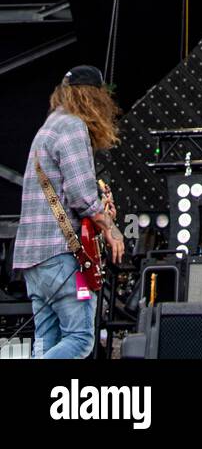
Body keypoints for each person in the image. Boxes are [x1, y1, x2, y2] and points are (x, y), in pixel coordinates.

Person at [13, 66, 125, 358]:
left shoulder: (49, 126)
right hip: (60, 255)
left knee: (46, 342)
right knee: (79, 339)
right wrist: (111, 229)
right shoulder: (73, 126)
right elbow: (81, 195)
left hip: (32, 259)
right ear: (94, 97)